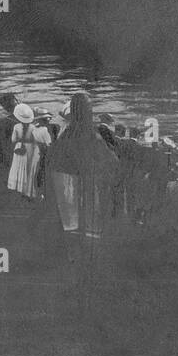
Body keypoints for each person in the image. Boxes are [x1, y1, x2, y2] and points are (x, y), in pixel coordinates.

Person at [46, 92, 118, 246]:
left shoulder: (64, 136)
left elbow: (53, 158)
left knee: (70, 223)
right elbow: (111, 162)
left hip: (64, 181)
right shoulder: (93, 137)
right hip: (88, 184)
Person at [7, 104, 49, 201]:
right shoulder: (33, 127)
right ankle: (28, 191)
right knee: (29, 170)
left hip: (19, 148)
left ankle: (18, 188)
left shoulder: (16, 126)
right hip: (31, 148)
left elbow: (13, 140)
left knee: (18, 168)